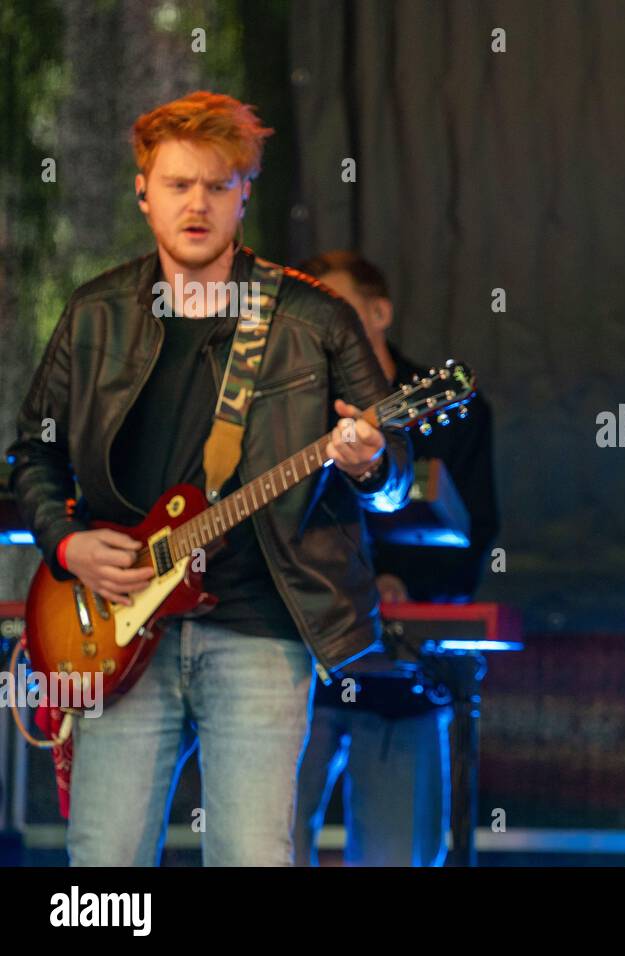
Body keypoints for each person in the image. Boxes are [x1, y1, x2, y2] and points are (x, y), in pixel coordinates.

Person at [6, 91, 413, 866]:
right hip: (116, 626)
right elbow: (33, 453)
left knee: (253, 855)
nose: (197, 203)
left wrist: (371, 463)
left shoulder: (316, 319)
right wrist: (68, 546)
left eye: (217, 185)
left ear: (244, 192)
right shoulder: (94, 314)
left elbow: (392, 474)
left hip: (260, 628)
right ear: (143, 191)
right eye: (178, 184)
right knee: (104, 862)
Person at [292, 251, 499, 866]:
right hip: (296, 664)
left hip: (400, 668)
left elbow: (478, 530)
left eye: (339, 312)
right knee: (261, 844)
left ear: (379, 313)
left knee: (396, 855)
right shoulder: (289, 414)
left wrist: (400, 581)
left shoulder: (443, 410)